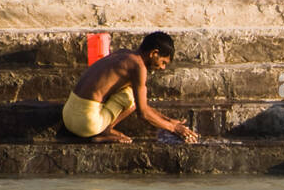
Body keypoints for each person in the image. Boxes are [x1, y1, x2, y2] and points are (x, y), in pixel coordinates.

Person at [62, 31, 199, 144]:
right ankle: (105, 131)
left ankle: (103, 128)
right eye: (163, 62)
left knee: (130, 92)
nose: (162, 68)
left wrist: (167, 120)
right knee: (131, 96)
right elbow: (143, 112)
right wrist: (174, 128)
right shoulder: (138, 67)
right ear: (154, 53)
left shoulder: (123, 53)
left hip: (67, 115)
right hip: (87, 124)